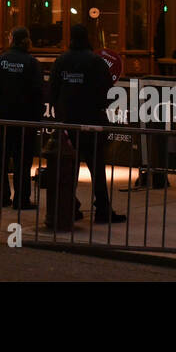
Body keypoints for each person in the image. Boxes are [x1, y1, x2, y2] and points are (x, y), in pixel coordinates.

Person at [50, 24, 126, 225]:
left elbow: (52, 91)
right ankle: (102, 208)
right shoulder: (95, 62)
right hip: (91, 121)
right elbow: (106, 92)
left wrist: (61, 112)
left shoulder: (61, 61)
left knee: (69, 167)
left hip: (69, 122)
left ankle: (70, 205)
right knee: (97, 168)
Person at [0, 27, 43, 210]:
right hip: (24, 120)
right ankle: (21, 198)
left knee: (2, 158)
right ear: (27, 41)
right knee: (22, 161)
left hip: (2, 117)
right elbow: (38, 92)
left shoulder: (0, 60)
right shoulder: (31, 63)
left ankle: (1, 197)